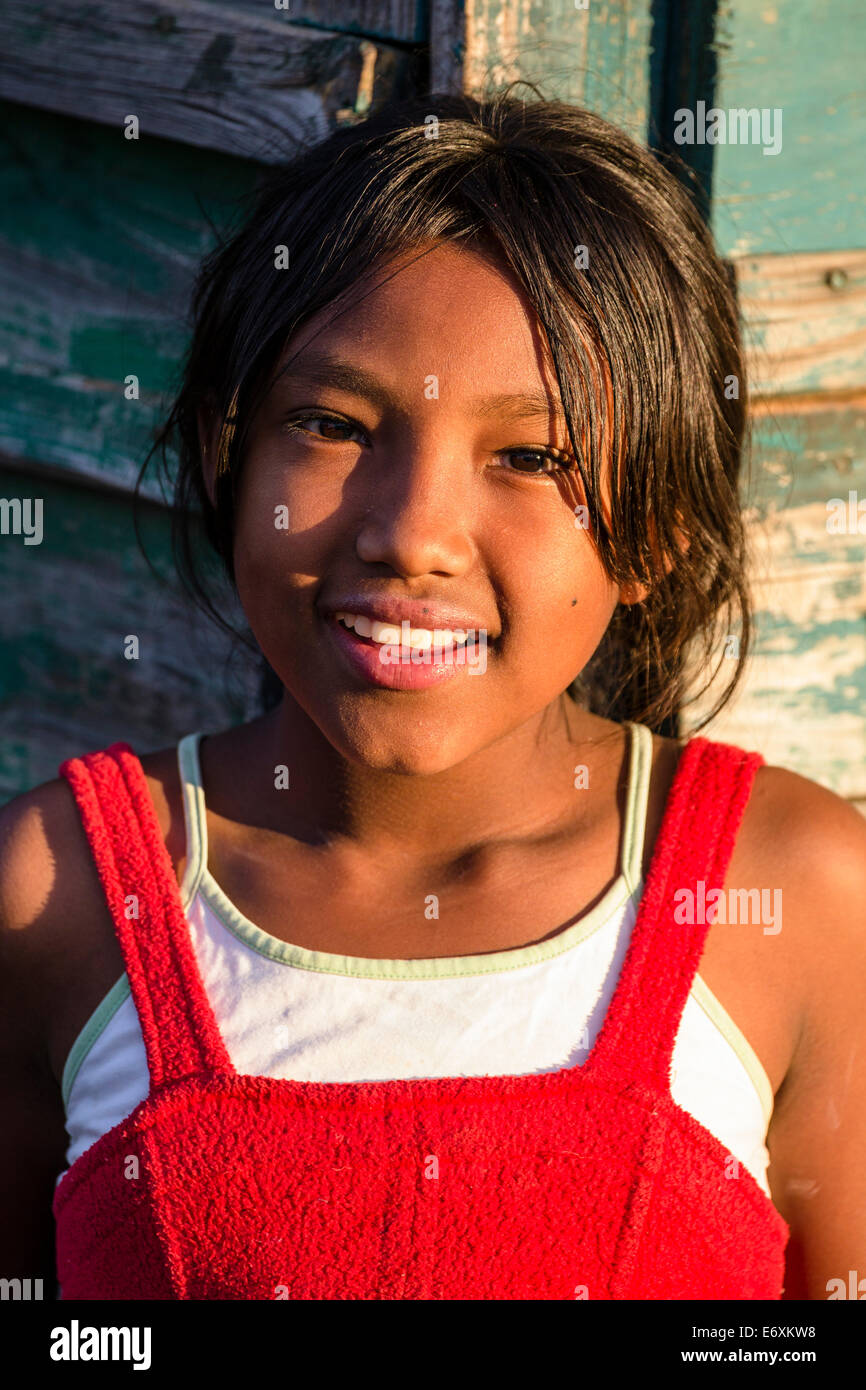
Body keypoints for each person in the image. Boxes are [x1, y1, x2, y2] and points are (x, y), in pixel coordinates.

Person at [1, 88, 864, 1301]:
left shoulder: (795, 896)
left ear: (657, 521)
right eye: (334, 423)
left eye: (529, 457)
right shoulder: (51, 905)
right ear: (223, 454)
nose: (411, 536)